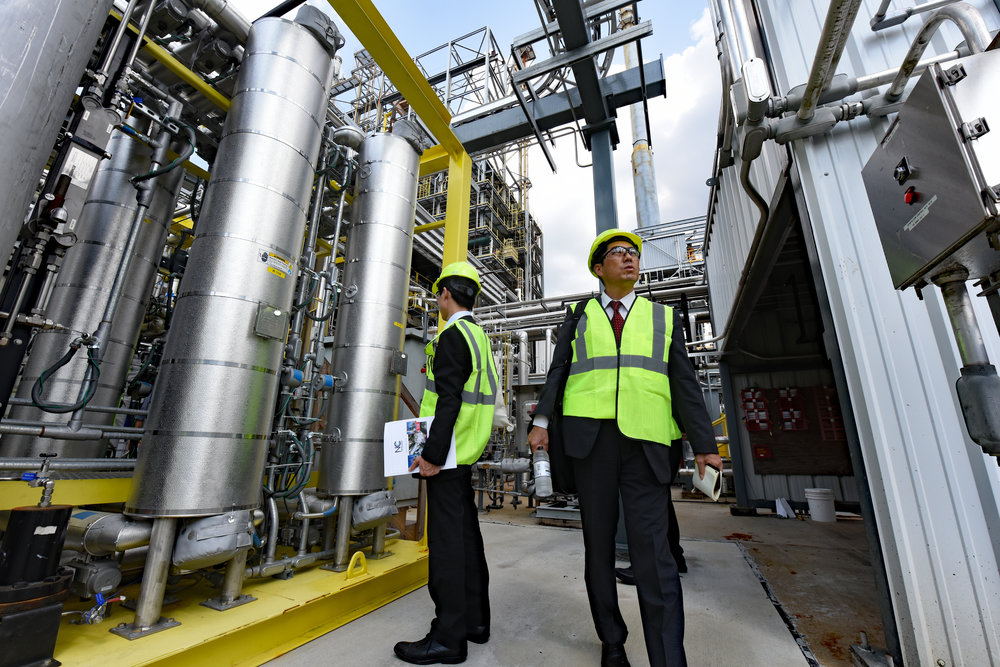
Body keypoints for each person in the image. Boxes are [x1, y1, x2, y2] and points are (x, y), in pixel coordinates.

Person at [529, 229, 722, 667]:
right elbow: (558, 371)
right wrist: (540, 423)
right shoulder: (578, 316)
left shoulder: (663, 317)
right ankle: (612, 641)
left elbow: (685, 385)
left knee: (654, 555)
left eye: (633, 253)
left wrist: (706, 445)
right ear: (599, 269)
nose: (629, 259)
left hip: (647, 444)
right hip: (592, 444)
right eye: (618, 254)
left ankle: (668, 658)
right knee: (598, 548)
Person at [394, 261, 498, 665]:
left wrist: (432, 456)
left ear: (445, 295)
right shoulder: (478, 336)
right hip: (466, 450)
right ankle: (475, 622)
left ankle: (448, 638)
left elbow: (449, 399)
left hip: (449, 454)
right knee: (467, 542)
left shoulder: (452, 336)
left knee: (448, 548)